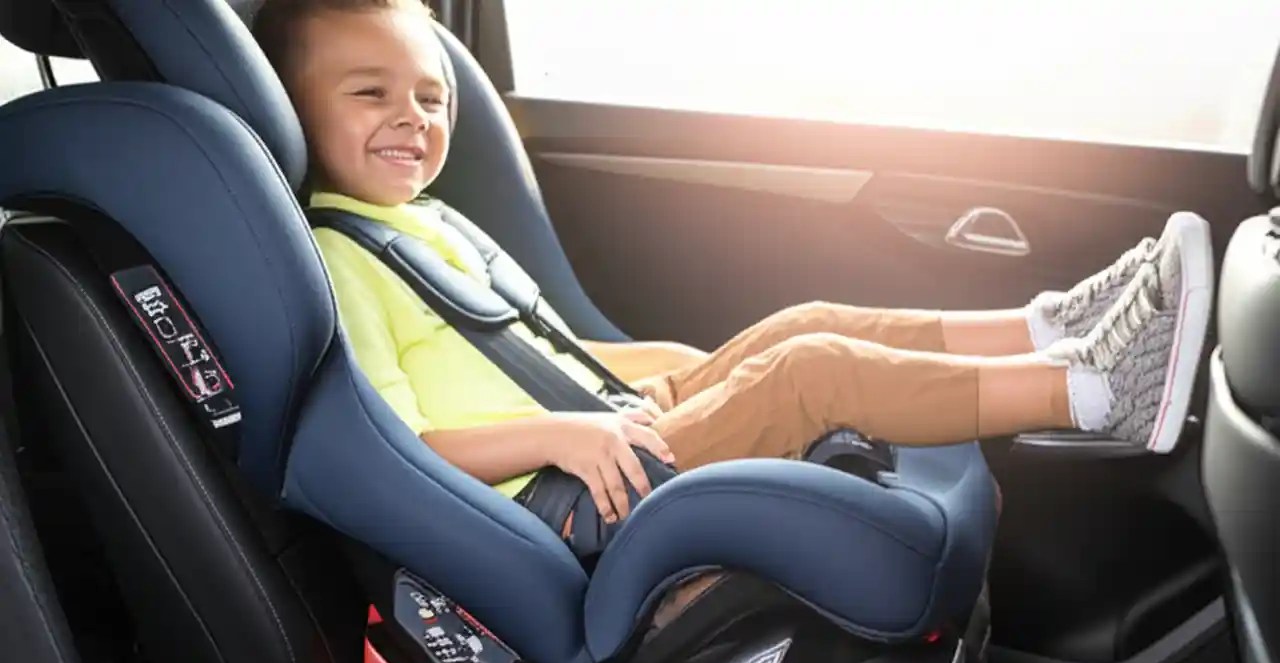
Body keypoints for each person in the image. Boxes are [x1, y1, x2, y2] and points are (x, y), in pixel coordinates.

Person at [251, 0, 1214, 563]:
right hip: (566, 497)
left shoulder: (424, 222)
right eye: (371, 93)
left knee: (805, 324)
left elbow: (544, 351)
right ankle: (1095, 393)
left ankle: (1046, 328)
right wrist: (563, 434)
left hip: (606, 429)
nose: (413, 118)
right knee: (813, 371)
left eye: (431, 97)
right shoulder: (340, 257)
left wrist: (694, 372)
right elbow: (400, 450)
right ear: (292, 113)